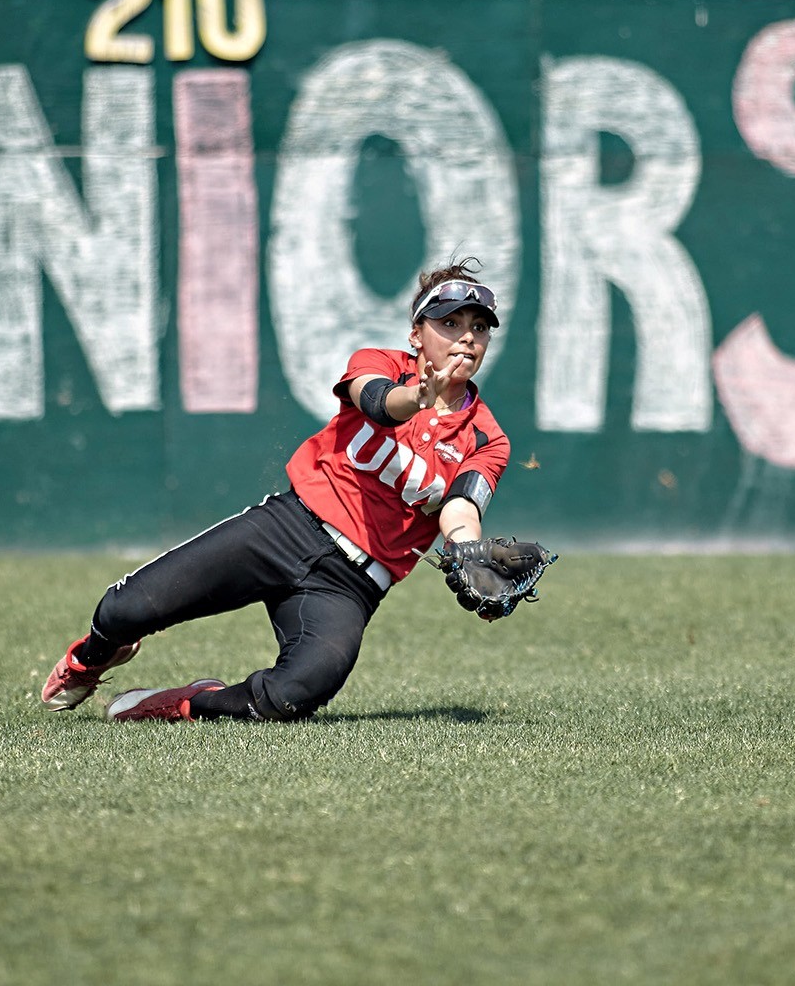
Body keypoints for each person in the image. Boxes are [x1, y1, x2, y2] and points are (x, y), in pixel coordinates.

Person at [40, 259, 512, 722]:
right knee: (123, 610)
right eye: (449, 322)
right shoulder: (380, 363)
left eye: (479, 327)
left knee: (295, 693)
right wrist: (420, 397)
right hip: (288, 529)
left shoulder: (487, 438)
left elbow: (461, 505)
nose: (467, 336)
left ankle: (180, 703)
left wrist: (466, 548)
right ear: (416, 334)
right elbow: (378, 402)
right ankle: (93, 657)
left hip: (351, 585)